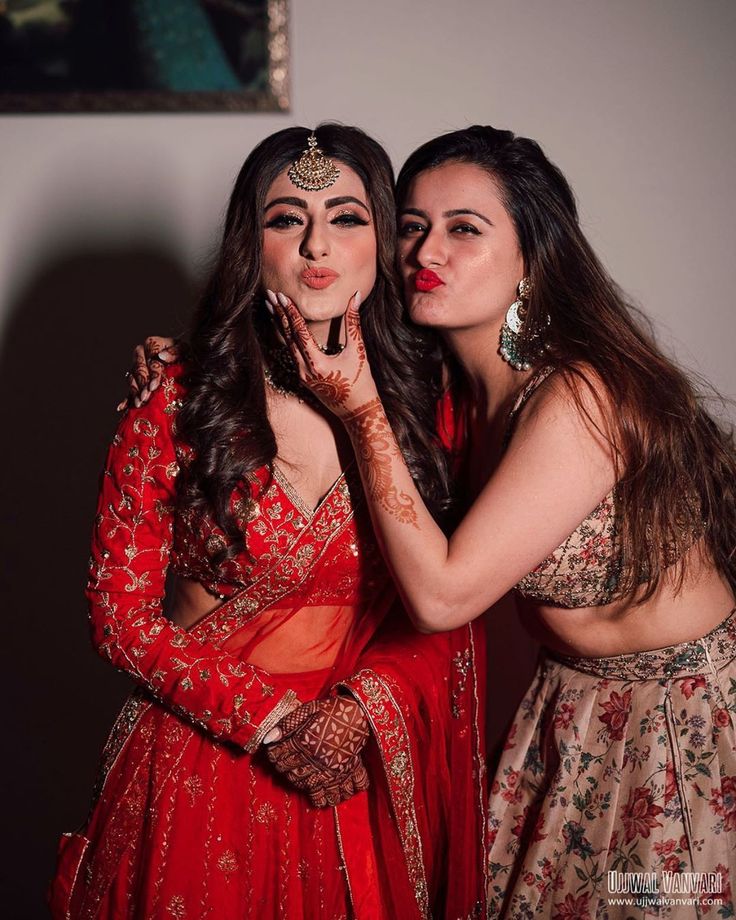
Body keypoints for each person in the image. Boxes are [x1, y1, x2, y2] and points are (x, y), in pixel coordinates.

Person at [272, 125, 736, 918]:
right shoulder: (454, 398)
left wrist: (361, 414)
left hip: (682, 725)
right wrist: (183, 361)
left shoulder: (581, 395)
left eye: (464, 230)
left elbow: (443, 599)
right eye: (411, 227)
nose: (428, 250)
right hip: (570, 716)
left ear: (534, 256)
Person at [49, 125, 487, 920]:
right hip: (205, 765)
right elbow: (119, 618)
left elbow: (451, 606)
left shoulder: (431, 405)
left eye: (348, 218)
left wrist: (353, 715)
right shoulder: (179, 396)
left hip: (353, 766)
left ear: (385, 241)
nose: (318, 244)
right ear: (252, 243)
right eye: (287, 218)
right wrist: (276, 723)